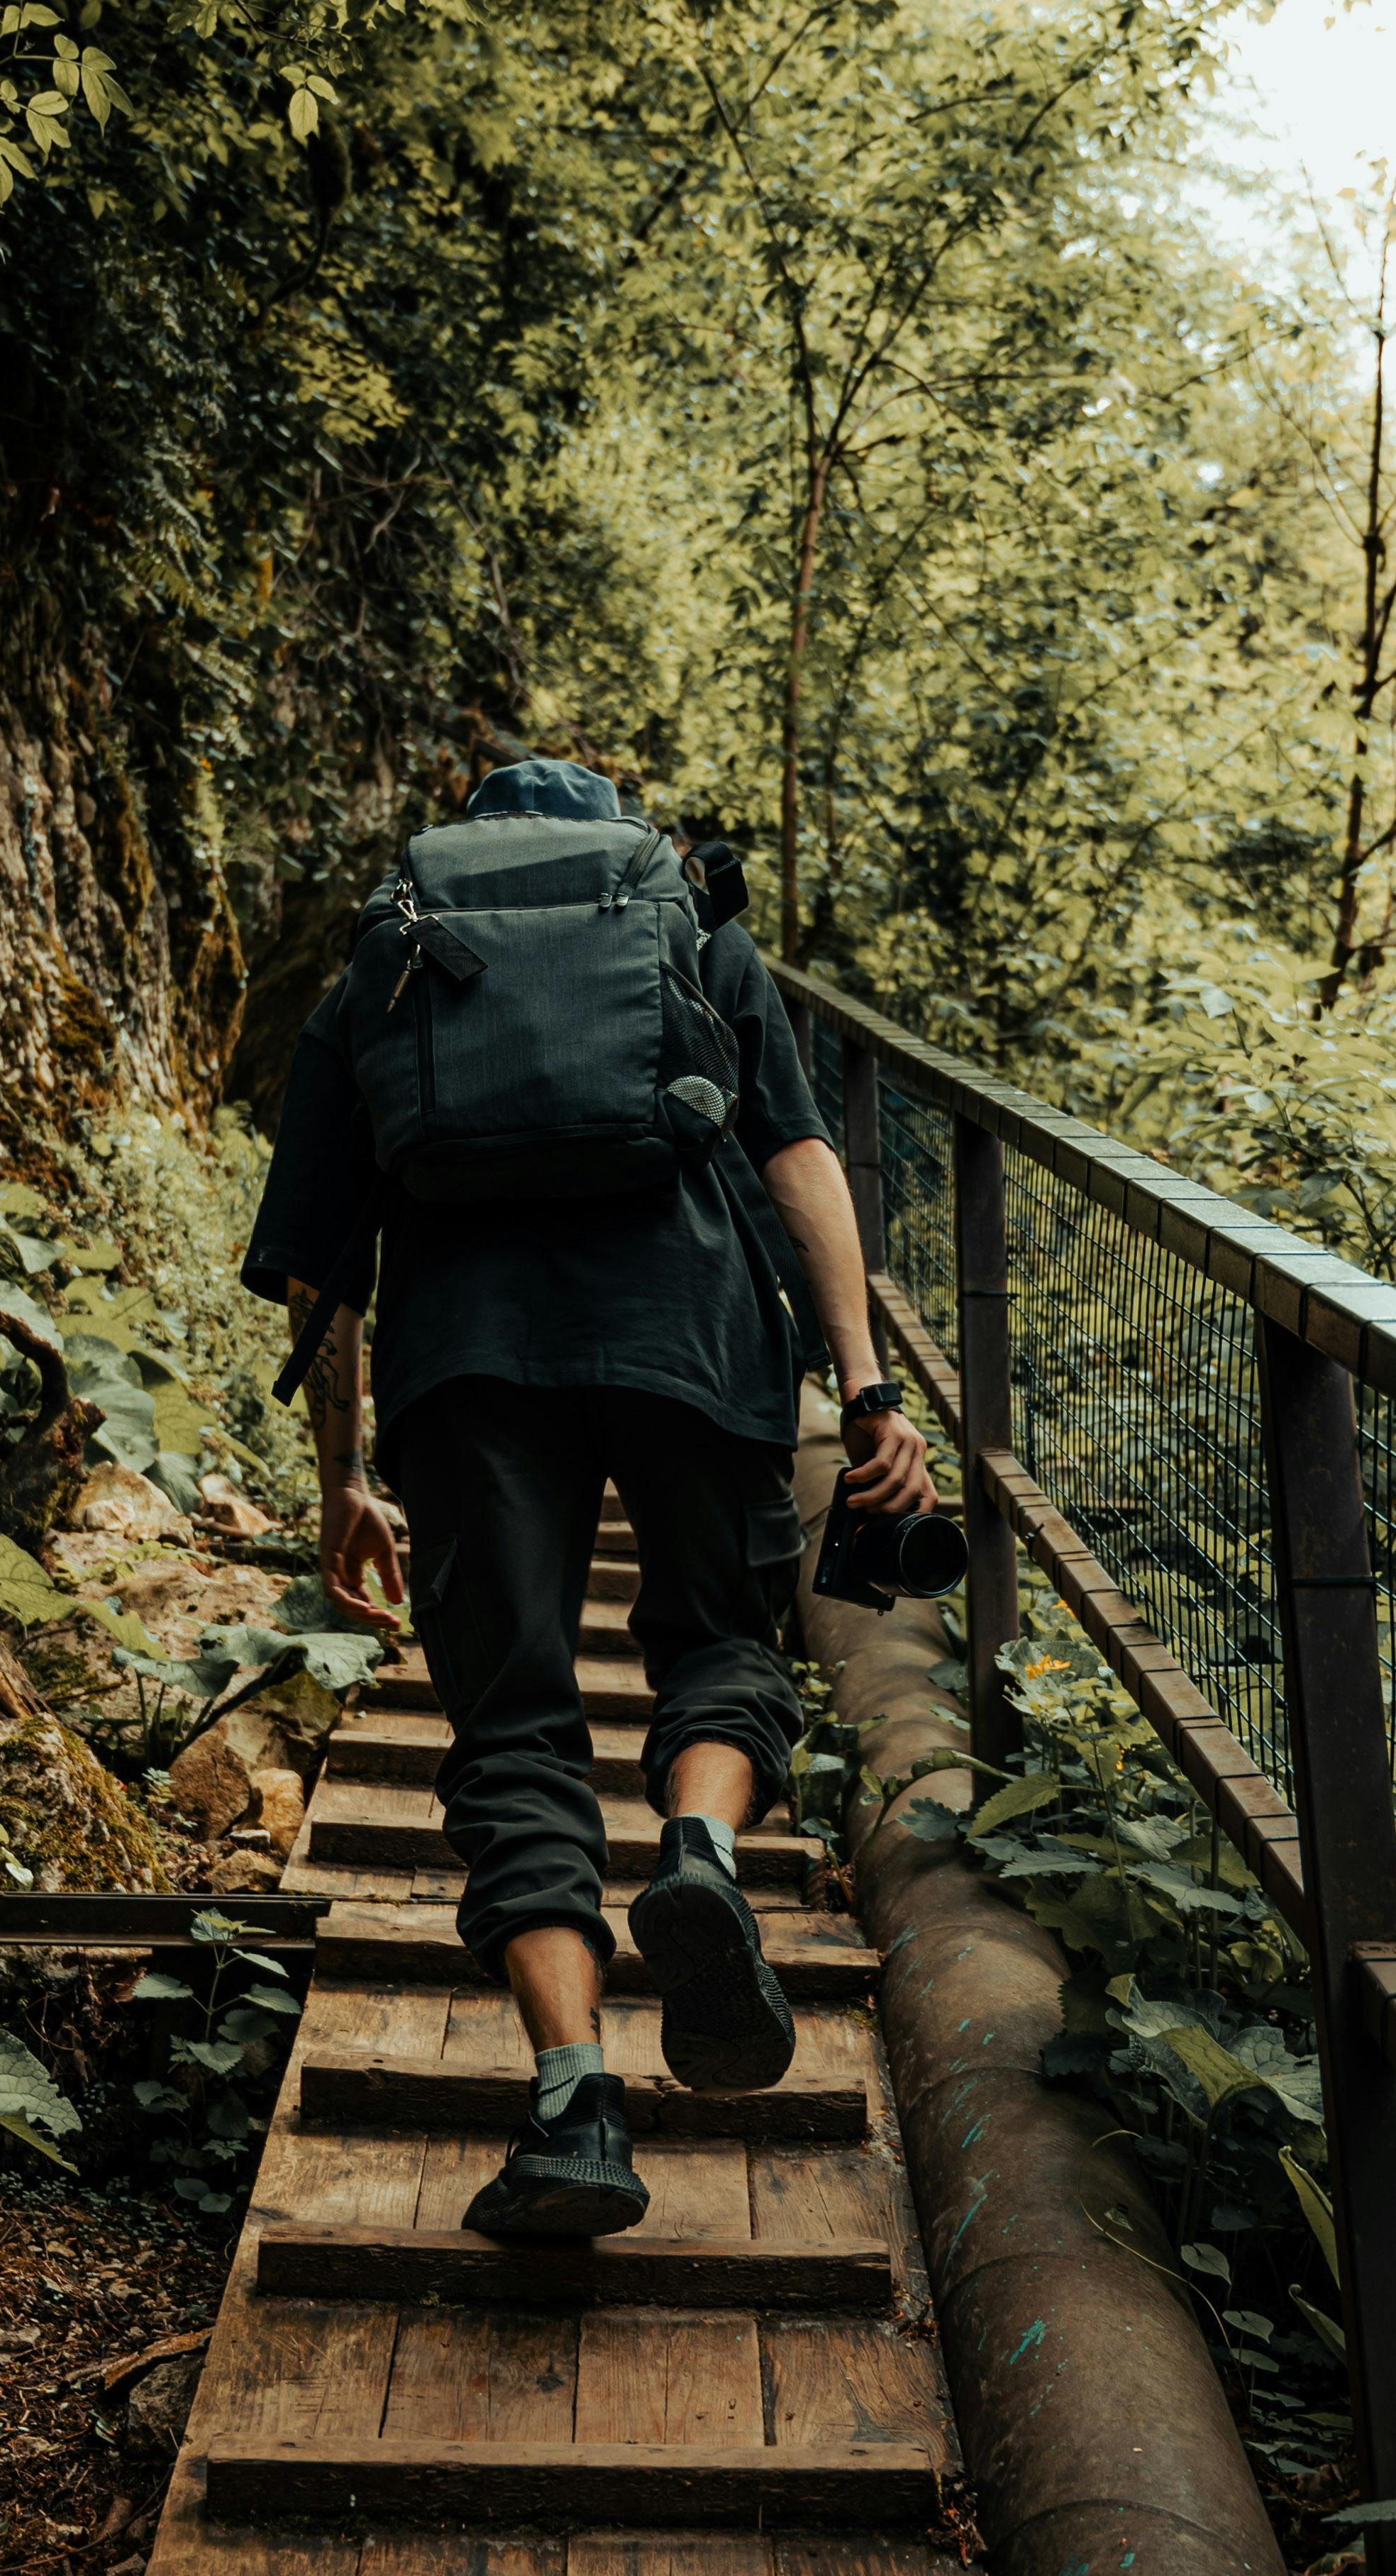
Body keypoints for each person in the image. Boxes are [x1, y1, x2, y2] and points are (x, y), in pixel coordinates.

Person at [238, 753, 933, 2239]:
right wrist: (866, 1387)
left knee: (510, 1727)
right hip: (690, 1337)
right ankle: (694, 1850)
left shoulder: (390, 948)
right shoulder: (689, 921)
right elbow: (796, 1153)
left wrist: (345, 1477)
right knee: (718, 1645)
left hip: (463, 1366)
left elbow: (319, 1264)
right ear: (615, 836)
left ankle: (571, 2103)